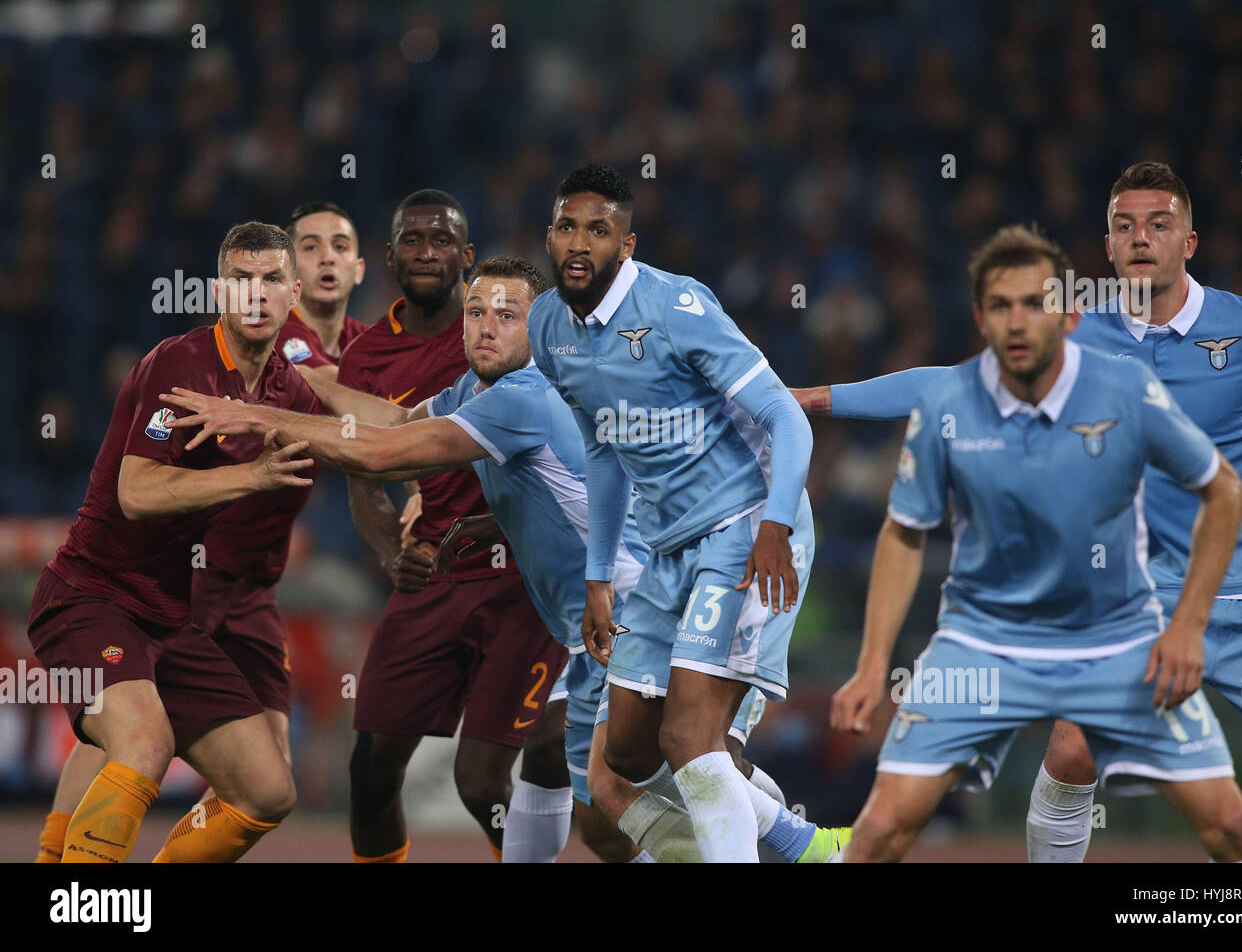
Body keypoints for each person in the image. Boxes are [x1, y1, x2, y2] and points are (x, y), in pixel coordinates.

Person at [165, 253, 837, 863]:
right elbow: (392, 422)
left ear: (538, 326)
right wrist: (305, 376)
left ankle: (813, 849)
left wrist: (261, 418)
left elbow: (378, 453)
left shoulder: (525, 396)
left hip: (642, 612)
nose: (485, 327)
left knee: (656, 769)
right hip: (600, 627)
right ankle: (807, 848)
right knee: (615, 806)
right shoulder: (475, 392)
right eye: (477, 312)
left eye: (507, 316)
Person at [799, 162, 1242, 863]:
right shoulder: (1081, 334)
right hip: (1142, 600)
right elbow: (952, 382)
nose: (1141, 239)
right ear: (1107, 246)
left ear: (1190, 242)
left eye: (1159, 225)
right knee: (1069, 751)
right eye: (1125, 226)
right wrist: (821, 399)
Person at [528, 164, 840, 863]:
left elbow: (789, 421)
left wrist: (775, 528)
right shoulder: (548, 327)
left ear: (627, 245)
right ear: (549, 236)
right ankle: (811, 849)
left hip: (745, 525)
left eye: (599, 230)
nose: (580, 243)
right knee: (627, 756)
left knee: (689, 740)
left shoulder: (678, 308)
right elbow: (602, 453)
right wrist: (598, 577)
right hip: (666, 545)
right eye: (568, 227)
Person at [27, 221, 318, 863]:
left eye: (270, 280)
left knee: (268, 791)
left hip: (167, 620)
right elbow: (137, 492)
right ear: (218, 292)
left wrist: (445, 427)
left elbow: (360, 435)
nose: (255, 294)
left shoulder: (283, 390)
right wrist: (256, 475)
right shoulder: (182, 365)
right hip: (88, 598)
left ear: (292, 294)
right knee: (143, 742)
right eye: (240, 280)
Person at [331, 190, 565, 861]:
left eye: (442, 241)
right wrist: (389, 552)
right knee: (370, 771)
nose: (427, 253)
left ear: (466, 255)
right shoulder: (369, 360)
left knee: (485, 782)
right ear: (390, 257)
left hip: (523, 577)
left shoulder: (521, 334)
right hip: (435, 576)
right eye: (413, 240)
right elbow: (366, 478)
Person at [276, 201, 368, 379]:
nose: (327, 258)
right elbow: (329, 388)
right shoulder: (275, 332)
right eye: (311, 247)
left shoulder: (367, 339)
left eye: (340, 246)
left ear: (359, 270)